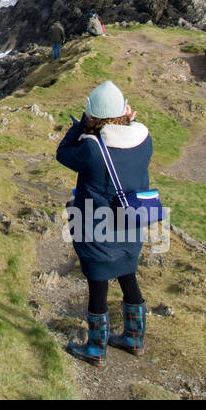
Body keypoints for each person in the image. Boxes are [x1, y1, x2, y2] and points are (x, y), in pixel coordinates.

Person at [56, 80, 151, 365]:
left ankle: (96, 347)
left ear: (92, 116)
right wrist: (128, 121)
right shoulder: (144, 139)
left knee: (98, 285)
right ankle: (134, 338)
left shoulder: (91, 150)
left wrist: (79, 125)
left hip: (97, 228)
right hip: (132, 224)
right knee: (128, 277)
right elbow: (129, 132)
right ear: (125, 112)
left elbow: (62, 152)